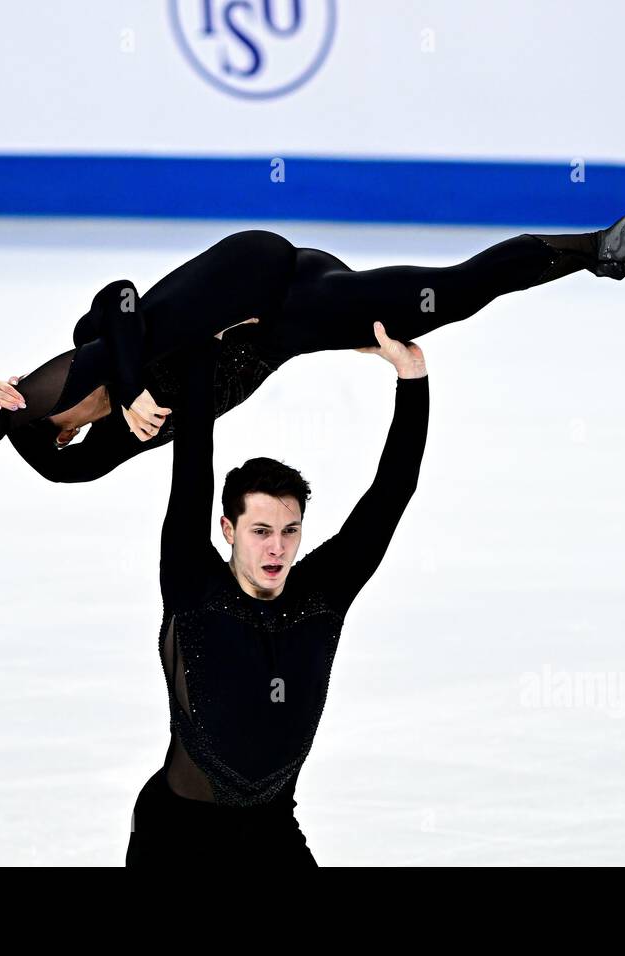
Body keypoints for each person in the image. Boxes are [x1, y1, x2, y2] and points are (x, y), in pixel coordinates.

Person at [0, 202, 625, 491]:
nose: (31, 395)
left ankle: (615, 247)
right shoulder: (107, 444)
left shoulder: (97, 355)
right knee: (443, 300)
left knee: (437, 297)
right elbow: (21, 442)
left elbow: (123, 296)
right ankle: (616, 246)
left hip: (258, 269)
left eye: (24, 395)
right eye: (32, 409)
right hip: (294, 320)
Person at [125, 320, 428, 866]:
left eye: (290, 532)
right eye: (261, 531)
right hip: (176, 836)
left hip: (270, 833)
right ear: (228, 530)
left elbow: (391, 494)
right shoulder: (193, 583)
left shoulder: (323, 593)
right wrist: (204, 353)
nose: (276, 549)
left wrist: (412, 377)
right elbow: (192, 456)